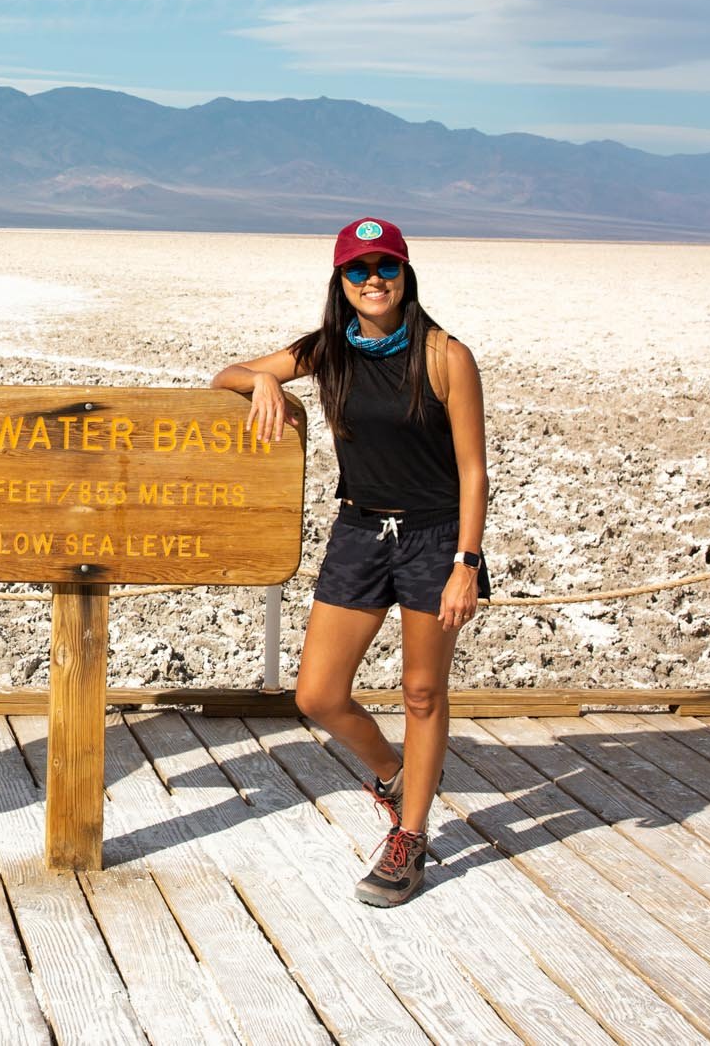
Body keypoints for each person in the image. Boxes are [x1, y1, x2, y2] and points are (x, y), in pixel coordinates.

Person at [208, 217, 488, 907]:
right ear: (339, 281)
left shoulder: (445, 354)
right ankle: (394, 773)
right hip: (359, 532)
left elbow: (474, 471)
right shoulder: (327, 351)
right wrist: (265, 385)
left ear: (406, 275)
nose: (373, 281)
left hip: (433, 535)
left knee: (423, 692)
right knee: (318, 693)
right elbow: (225, 374)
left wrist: (467, 563)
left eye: (385, 267)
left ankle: (410, 838)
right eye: (358, 269)